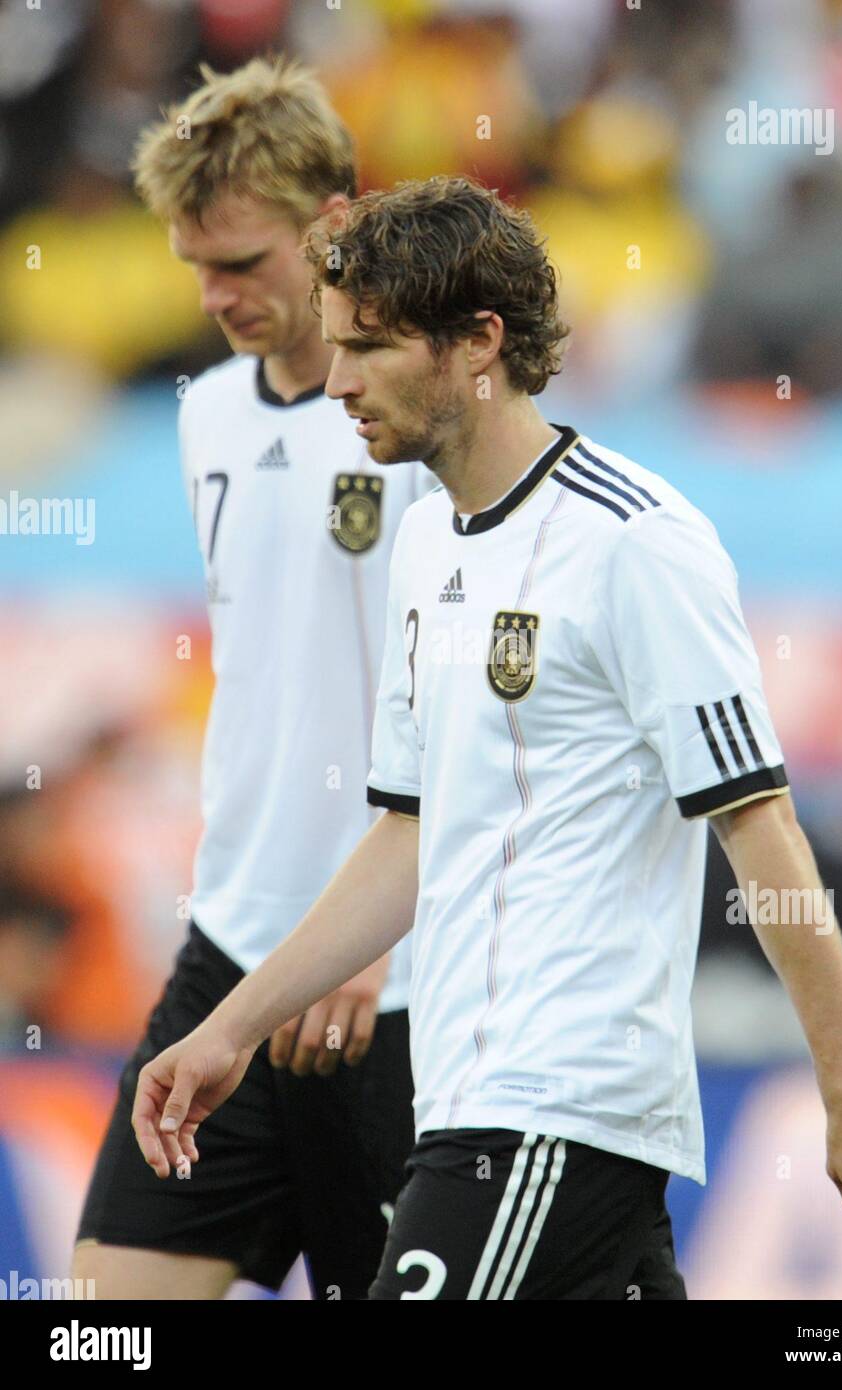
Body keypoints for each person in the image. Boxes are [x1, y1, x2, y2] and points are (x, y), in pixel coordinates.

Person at [131, 175, 842, 1301]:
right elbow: (408, 840)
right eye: (334, 347)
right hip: (463, 1104)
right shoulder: (422, 545)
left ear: (478, 343)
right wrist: (231, 1027)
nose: (340, 384)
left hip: (555, 1110)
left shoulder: (634, 544)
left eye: (368, 348)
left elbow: (761, 832)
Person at [74, 58, 423, 1301]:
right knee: (103, 1317)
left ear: (332, 222)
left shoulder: (421, 415)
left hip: (392, 974)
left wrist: (392, 930)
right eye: (195, 268)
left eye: (241, 262)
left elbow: (488, 704)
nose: (215, 296)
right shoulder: (207, 413)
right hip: (229, 944)